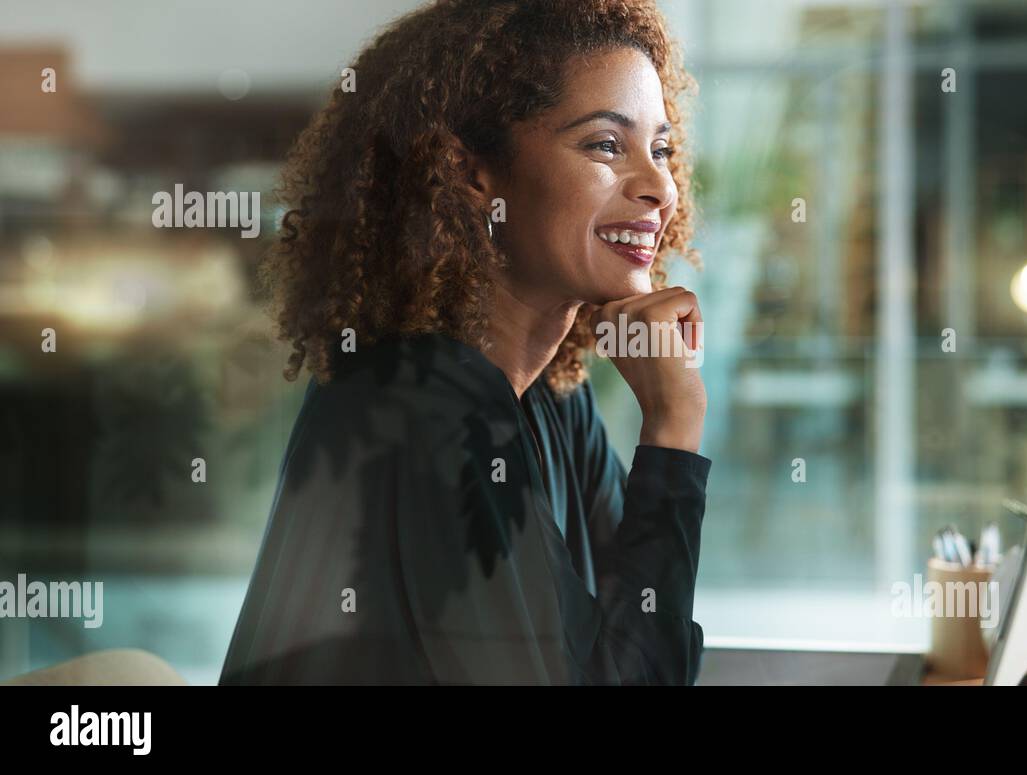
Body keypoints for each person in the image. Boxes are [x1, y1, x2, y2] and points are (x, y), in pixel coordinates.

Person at [219, 0, 711, 685]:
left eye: (660, 149)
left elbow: (643, 646)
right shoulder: (420, 406)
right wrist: (673, 426)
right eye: (605, 144)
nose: (659, 186)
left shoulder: (550, 402)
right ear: (472, 173)